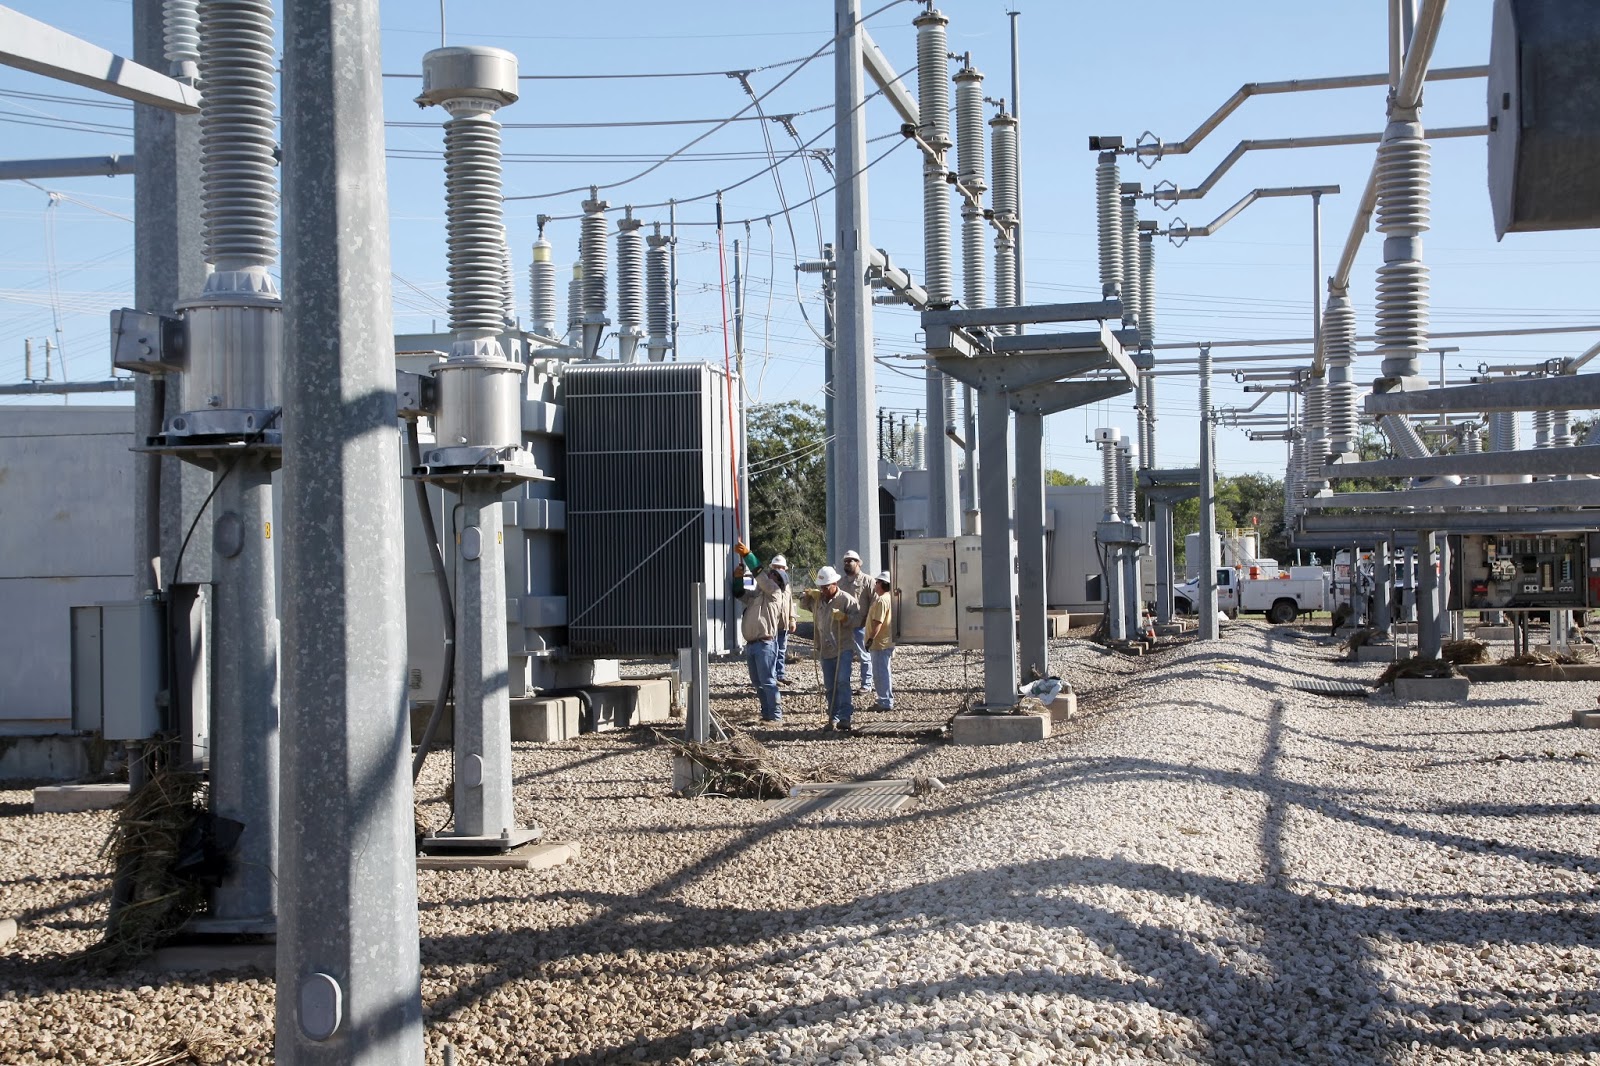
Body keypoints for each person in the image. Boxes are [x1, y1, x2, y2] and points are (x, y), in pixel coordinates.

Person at [802, 565, 858, 731]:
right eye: (821, 587)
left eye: (826, 587)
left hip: (843, 647)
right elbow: (804, 605)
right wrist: (806, 595)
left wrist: (845, 618)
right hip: (825, 649)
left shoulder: (846, 599)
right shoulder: (818, 599)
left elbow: (858, 620)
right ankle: (832, 717)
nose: (824, 590)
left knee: (842, 681)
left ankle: (845, 717)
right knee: (830, 686)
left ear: (835, 583)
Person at [733, 554, 787, 723]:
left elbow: (761, 576)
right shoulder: (757, 595)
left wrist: (748, 555)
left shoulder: (775, 592)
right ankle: (767, 714)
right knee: (758, 682)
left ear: (779, 582)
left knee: (768, 682)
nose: (771, 575)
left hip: (765, 644)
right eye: (771, 573)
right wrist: (738, 578)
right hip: (752, 645)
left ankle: (776, 716)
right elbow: (739, 593)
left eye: (774, 575)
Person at [839, 549, 874, 693]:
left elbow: (874, 602)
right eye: (845, 561)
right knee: (844, 657)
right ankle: (844, 684)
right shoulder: (841, 582)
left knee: (864, 656)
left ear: (858, 563)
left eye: (850, 561)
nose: (847, 564)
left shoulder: (868, 581)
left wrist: (870, 622)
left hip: (861, 626)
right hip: (844, 625)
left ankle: (866, 684)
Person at [864, 570, 895, 711]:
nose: (875, 584)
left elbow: (878, 622)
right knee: (884, 671)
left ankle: (884, 701)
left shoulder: (882, 600)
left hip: (880, 643)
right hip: (886, 641)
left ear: (882, 584)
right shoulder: (889, 598)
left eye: (877, 582)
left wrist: (870, 639)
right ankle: (886, 699)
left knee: (880, 673)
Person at [770, 554, 797, 686]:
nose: (779, 570)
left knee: (781, 650)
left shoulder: (787, 587)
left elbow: (790, 603)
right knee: (771, 651)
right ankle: (771, 676)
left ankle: (780, 675)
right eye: (776, 567)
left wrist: (792, 619)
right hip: (770, 625)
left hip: (783, 624)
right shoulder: (767, 585)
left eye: (781, 567)